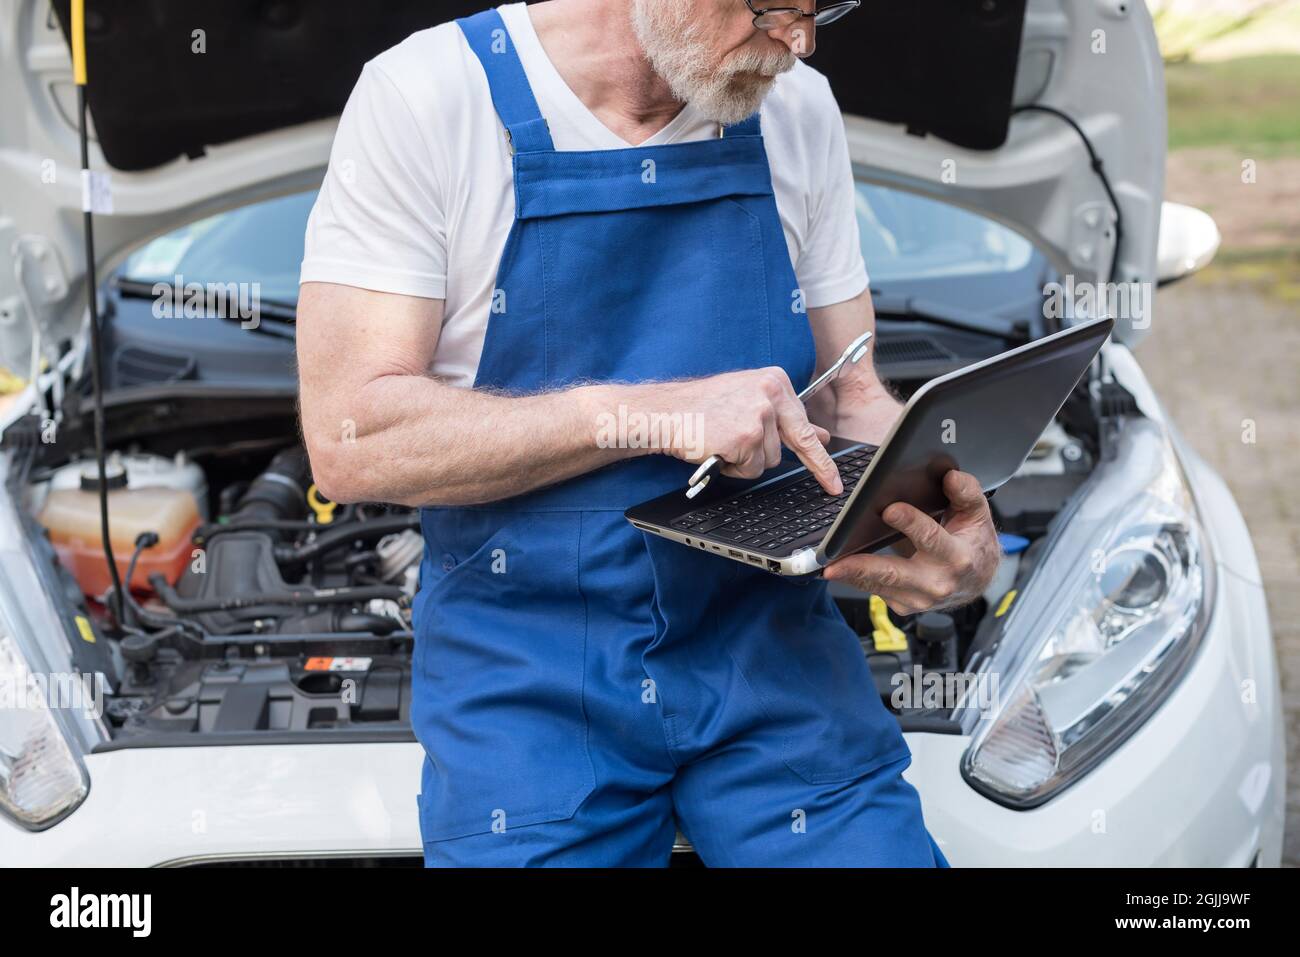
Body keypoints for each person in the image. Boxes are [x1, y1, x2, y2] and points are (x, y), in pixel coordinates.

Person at [297, 0, 1000, 866]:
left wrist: (933, 505)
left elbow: (849, 395)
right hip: (528, 672)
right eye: (776, 7)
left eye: (824, 9)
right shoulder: (427, 98)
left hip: (770, 654)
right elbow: (351, 437)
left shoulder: (794, 107)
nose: (802, 40)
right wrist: (645, 413)